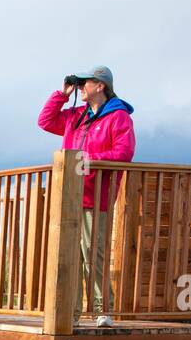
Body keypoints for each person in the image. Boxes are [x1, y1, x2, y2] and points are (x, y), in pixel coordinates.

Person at [38, 65, 135, 320]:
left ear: (100, 86)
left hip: (96, 196)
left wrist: (85, 160)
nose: (80, 88)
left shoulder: (118, 117)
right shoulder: (76, 116)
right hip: (68, 195)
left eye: (85, 83)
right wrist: (61, 94)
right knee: (68, 256)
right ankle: (71, 313)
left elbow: (123, 153)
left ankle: (103, 311)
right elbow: (45, 121)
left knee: (93, 254)